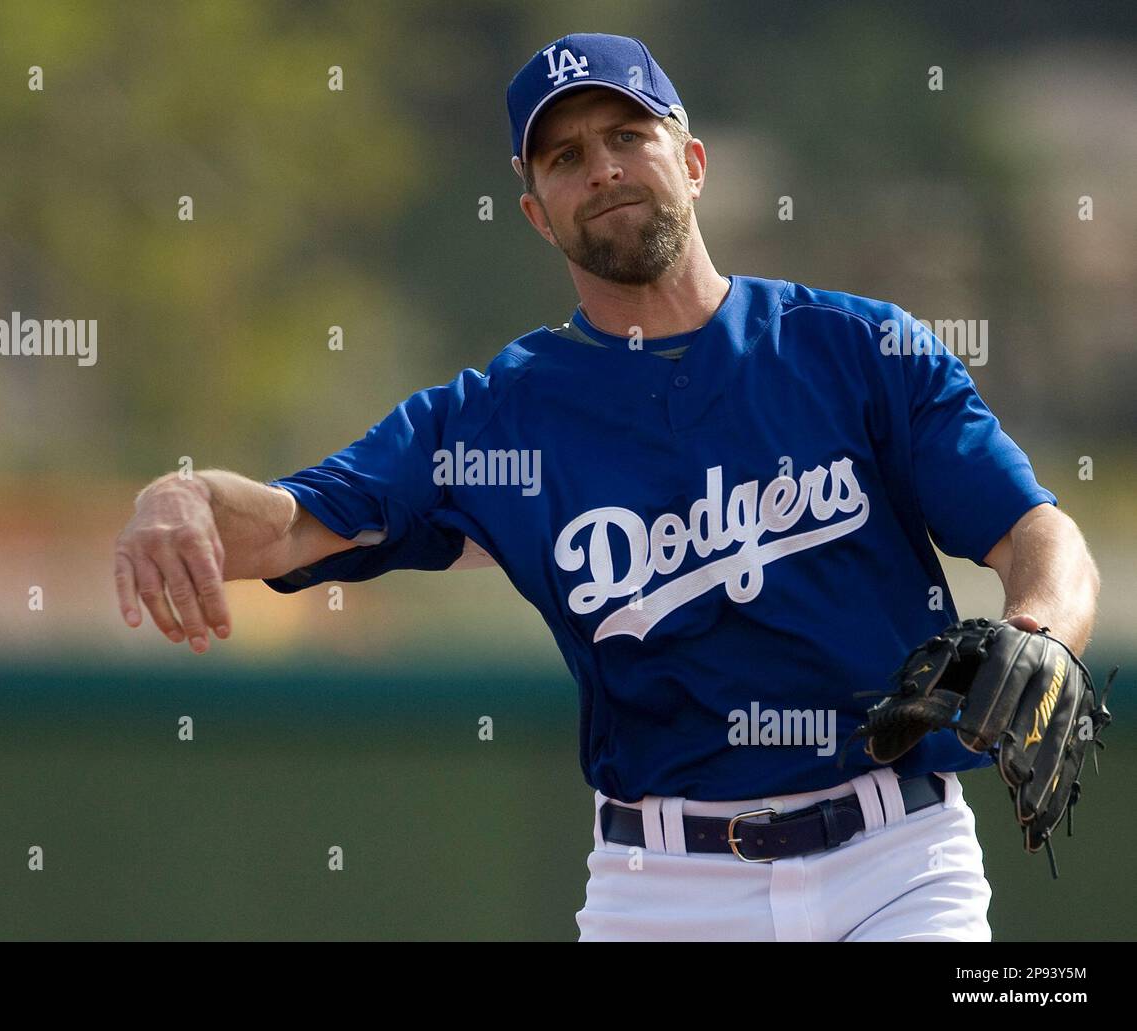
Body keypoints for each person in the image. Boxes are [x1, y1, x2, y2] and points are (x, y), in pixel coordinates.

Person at [113, 33, 1101, 941]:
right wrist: (184, 496)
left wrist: (1042, 631)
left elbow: (1037, 535)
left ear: (693, 160)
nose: (605, 169)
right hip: (664, 884)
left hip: (896, 863)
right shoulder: (496, 420)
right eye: (566, 157)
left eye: (628, 134)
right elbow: (287, 528)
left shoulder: (856, 348)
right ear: (537, 212)